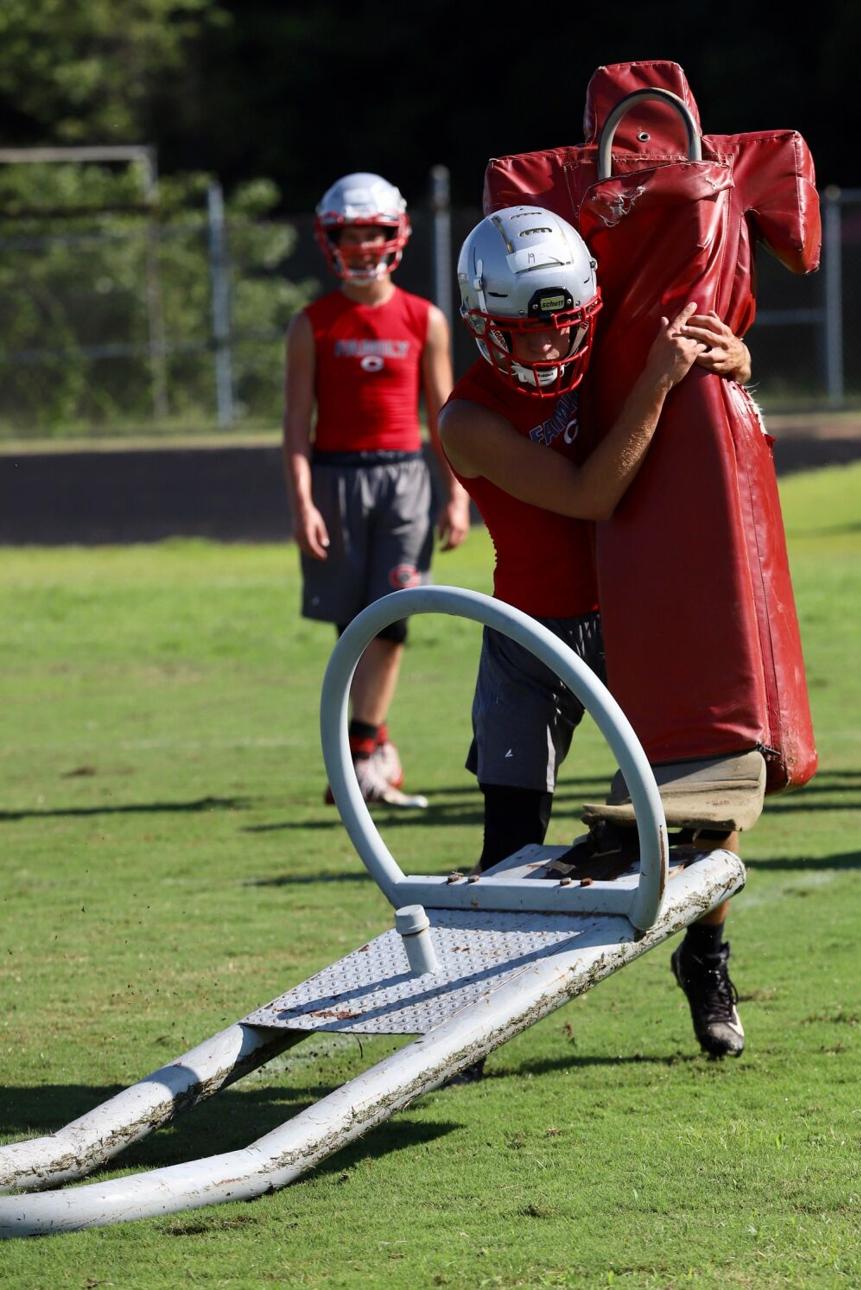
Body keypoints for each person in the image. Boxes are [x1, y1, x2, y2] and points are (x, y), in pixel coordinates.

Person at [439, 205, 752, 1060]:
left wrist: (731, 361)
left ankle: (706, 959)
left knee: (705, 809)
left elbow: (703, 388)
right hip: (531, 629)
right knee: (512, 832)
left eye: (561, 330)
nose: (546, 350)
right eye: (522, 334)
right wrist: (655, 380)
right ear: (481, 321)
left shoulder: (609, 346)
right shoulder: (465, 417)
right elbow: (588, 495)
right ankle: (475, 1016)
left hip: (640, 615)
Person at [283, 172, 471, 807]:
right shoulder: (312, 324)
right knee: (351, 625)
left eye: (374, 233)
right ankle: (376, 743)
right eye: (349, 234)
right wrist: (303, 501)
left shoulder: (425, 318)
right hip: (336, 478)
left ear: (396, 237)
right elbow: (294, 427)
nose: (362, 246)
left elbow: (441, 413)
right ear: (328, 239)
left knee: (394, 613)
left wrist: (456, 493)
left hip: (404, 479)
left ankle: (360, 751)